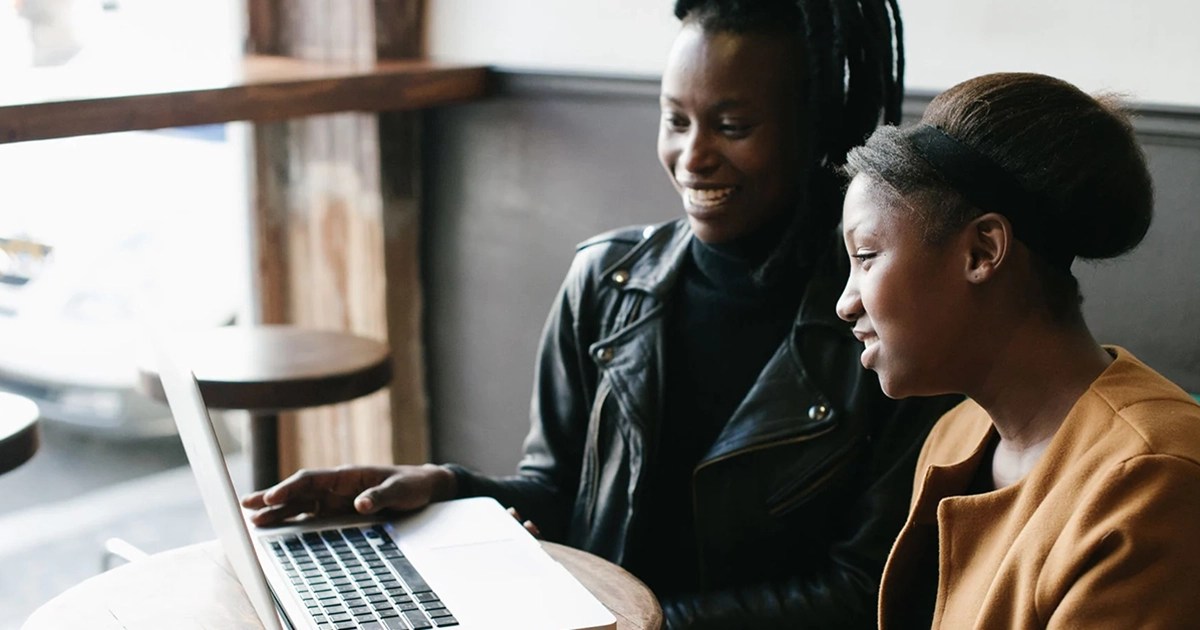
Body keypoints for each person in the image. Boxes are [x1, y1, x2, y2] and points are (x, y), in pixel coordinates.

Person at [242, 1, 956, 627]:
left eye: (732, 125)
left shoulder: (888, 326)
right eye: (675, 119)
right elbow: (558, 494)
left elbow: (865, 594)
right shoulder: (605, 282)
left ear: (816, 129)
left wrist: (634, 624)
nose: (692, 156)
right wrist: (448, 489)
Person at [836, 72, 1200, 629]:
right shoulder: (954, 436)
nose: (845, 303)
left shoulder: (1154, 478)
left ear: (983, 251)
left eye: (866, 256)